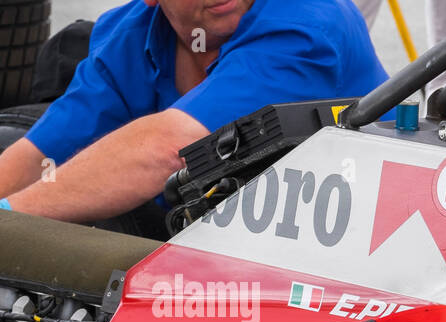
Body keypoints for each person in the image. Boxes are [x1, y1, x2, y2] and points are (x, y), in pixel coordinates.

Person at [0, 0, 389, 228]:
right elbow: (39, 154)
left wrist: (10, 219)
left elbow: (172, 150)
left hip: (336, 257)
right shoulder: (128, 32)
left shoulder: (310, 23)